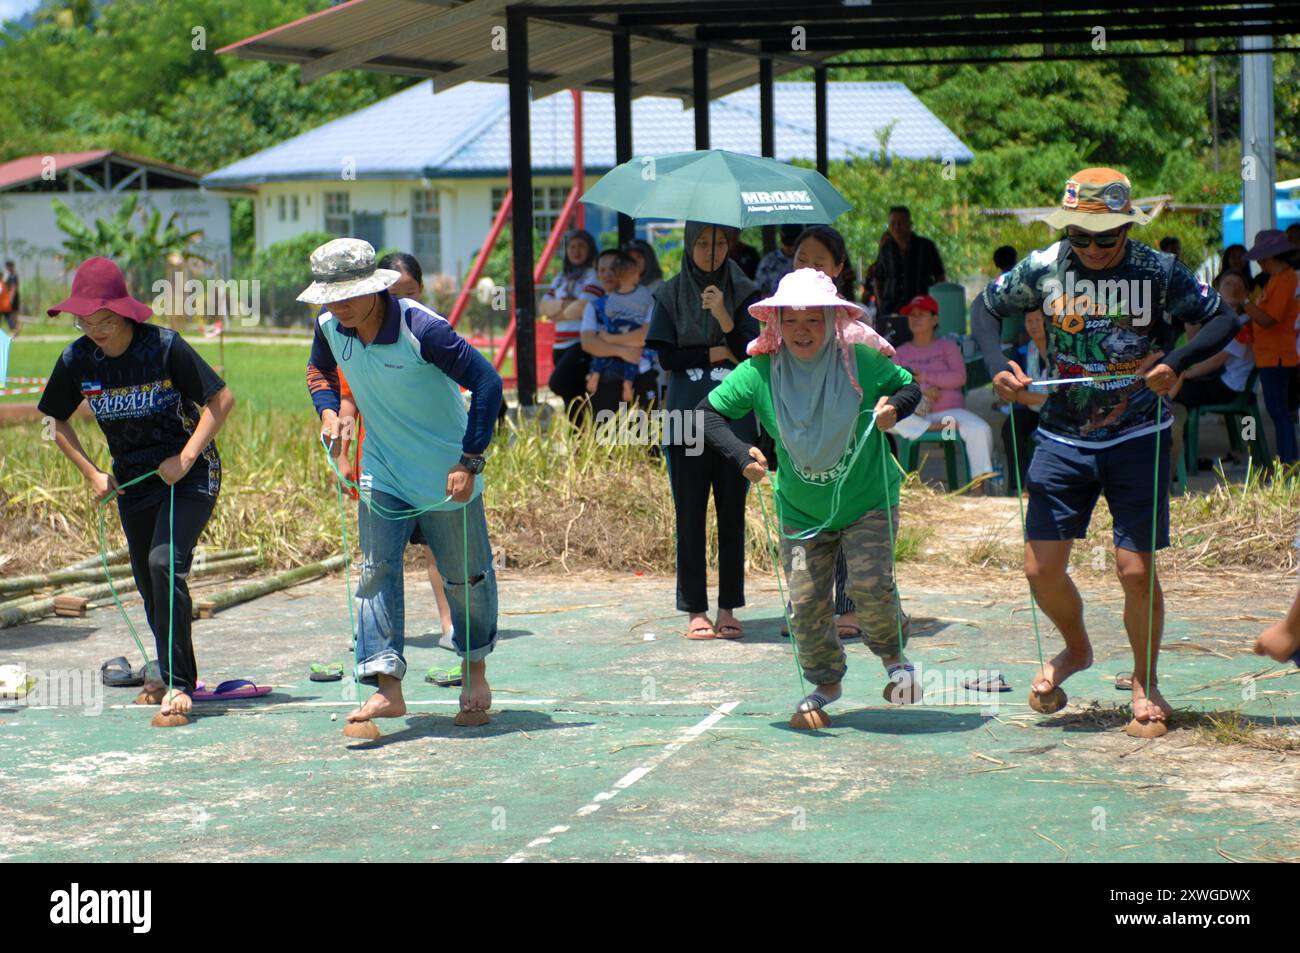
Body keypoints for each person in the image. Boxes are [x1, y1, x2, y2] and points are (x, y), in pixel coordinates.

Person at [971, 167, 1239, 730]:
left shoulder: (1158, 271)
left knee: (1135, 571)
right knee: (1039, 569)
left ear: (1126, 229)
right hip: (1063, 435)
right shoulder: (1044, 266)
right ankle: (1076, 649)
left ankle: (1146, 679)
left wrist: (1176, 364)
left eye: (1106, 237)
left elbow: (1222, 319)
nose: (1092, 248)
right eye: (1080, 236)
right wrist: (1000, 368)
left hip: (1139, 434)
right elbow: (985, 309)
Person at [700, 268, 924, 720]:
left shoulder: (859, 361)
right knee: (804, 601)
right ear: (776, 325)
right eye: (792, 320)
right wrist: (742, 453)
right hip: (802, 510)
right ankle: (826, 683)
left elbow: (909, 386)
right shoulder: (759, 372)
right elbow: (707, 415)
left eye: (814, 320)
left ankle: (895, 661)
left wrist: (892, 410)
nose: (803, 331)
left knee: (869, 588)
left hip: (867, 501)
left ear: (833, 322)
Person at [304, 238, 503, 727]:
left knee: (466, 575)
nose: (339, 304)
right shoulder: (331, 326)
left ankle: (473, 668)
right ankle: (386, 686)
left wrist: (470, 458)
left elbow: (488, 383)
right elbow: (318, 371)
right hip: (383, 468)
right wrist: (330, 413)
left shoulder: (421, 328)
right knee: (375, 571)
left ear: (375, 287)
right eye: (330, 294)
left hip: (445, 471)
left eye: (349, 292)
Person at [38, 257, 236, 718]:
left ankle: (180, 683)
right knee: (150, 583)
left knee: (164, 562)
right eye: (85, 322)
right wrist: (91, 473)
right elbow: (53, 420)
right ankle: (168, 670)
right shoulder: (76, 359)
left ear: (125, 313)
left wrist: (185, 457)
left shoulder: (165, 347)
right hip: (133, 484)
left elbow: (220, 400)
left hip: (190, 475)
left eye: (104, 321)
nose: (95, 331)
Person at [334, 252, 457, 654]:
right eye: (394, 293)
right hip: (383, 463)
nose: (404, 301)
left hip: (430, 461)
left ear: (420, 291)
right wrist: (343, 444)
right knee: (379, 554)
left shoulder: (431, 332)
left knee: (440, 548)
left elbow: (467, 382)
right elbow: (345, 397)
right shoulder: (353, 339)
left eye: (410, 293)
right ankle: (373, 637)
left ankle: (451, 623)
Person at [646, 221, 761, 640]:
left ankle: (728, 607)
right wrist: (715, 351)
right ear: (689, 245)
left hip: (734, 423)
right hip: (684, 422)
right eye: (702, 242)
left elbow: (754, 351)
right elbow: (666, 357)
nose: (710, 251)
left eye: (718, 242)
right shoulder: (669, 293)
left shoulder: (746, 292)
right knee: (690, 518)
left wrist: (723, 315)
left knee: (732, 518)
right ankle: (695, 609)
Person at [788, 224, 896, 639]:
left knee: (854, 523)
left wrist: (888, 407)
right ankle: (810, 609)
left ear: (838, 268)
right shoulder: (781, 328)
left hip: (853, 443)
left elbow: (894, 378)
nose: (809, 266)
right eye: (801, 259)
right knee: (812, 524)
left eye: (818, 262)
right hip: (805, 447)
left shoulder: (856, 329)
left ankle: (853, 609)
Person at [892, 294, 996, 493]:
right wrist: (922, 391)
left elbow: (959, 378)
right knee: (885, 416)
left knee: (980, 429)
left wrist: (925, 377)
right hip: (914, 415)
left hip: (949, 416)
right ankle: (927, 426)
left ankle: (978, 489)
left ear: (935, 319)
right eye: (912, 315)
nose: (915, 319)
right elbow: (894, 386)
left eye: (921, 314)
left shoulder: (947, 347)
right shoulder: (900, 352)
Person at [1240, 229, 1300, 465]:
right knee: (1279, 412)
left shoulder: (1285, 280)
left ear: (1267, 258)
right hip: (1270, 355)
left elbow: (1268, 319)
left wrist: (1244, 302)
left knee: (1280, 412)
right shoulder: (1278, 280)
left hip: (1278, 356)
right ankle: (1288, 460)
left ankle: (1289, 461)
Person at [542, 230, 603, 422]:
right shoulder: (561, 276)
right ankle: (579, 439)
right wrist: (567, 305)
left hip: (581, 342)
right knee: (573, 396)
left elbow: (583, 307)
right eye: (572, 247)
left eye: (581, 246)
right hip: (559, 345)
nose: (576, 251)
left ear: (590, 249)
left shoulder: (595, 274)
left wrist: (556, 312)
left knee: (558, 383)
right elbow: (543, 306)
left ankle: (585, 432)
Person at [1173, 271, 1254, 413]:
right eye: (1228, 284)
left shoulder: (1243, 322)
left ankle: (1181, 433)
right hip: (1227, 380)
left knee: (1182, 390)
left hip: (1235, 388)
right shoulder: (1224, 319)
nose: (1233, 288)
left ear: (1246, 292)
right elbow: (1198, 349)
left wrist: (1185, 374)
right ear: (1218, 290)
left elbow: (1216, 361)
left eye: (1238, 285)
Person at [583, 249, 655, 407]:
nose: (608, 274)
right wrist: (625, 351)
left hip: (642, 376)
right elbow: (589, 343)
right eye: (602, 270)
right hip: (606, 379)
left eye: (614, 268)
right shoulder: (594, 306)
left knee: (646, 429)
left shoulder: (647, 300)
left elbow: (644, 336)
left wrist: (608, 341)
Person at [871, 205, 946, 345]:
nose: (897, 227)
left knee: (919, 348)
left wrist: (934, 307)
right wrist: (881, 305)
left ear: (910, 225)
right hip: (890, 309)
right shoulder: (886, 248)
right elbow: (878, 278)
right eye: (893, 223)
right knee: (891, 349)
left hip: (920, 309)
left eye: (901, 223)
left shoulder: (926, 247)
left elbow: (940, 277)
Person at [756, 224, 801, 296]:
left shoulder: (806, 262)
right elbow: (760, 290)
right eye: (787, 244)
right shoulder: (769, 261)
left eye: (792, 244)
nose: (789, 248)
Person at [0, 261, 18, 335]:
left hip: (3, 306)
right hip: (5, 305)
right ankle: (15, 329)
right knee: (8, 319)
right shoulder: (3, 284)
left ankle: (15, 329)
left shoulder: (1, 284)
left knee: (9, 319)